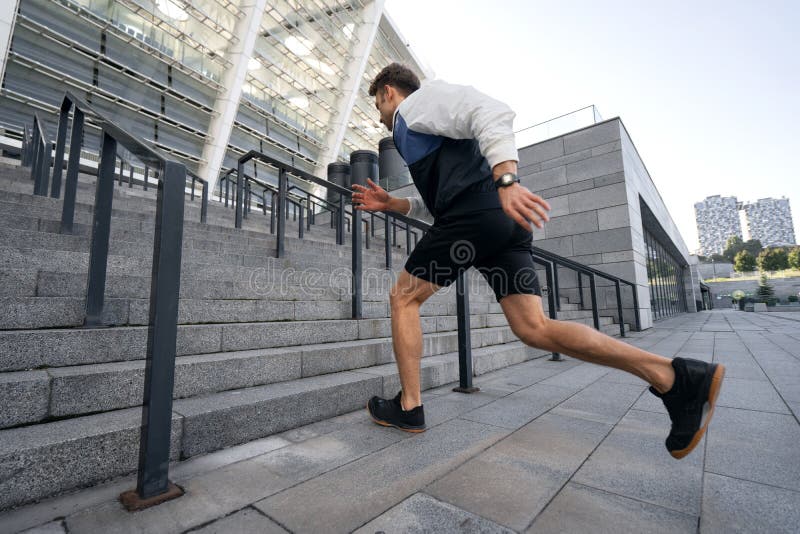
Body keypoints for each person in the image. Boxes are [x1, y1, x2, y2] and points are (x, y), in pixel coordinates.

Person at [351, 63, 725, 459]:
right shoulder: (423, 129)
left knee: (403, 299)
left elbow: (491, 111)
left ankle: (409, 406)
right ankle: (675, 377)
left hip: (478, 214)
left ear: (390, 92)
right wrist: (396, 203)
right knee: (534, 328)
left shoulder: (419, 105)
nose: (379, 115)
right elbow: (449, 191)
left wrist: (507, 181)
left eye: (378, 103)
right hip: (498, 223)